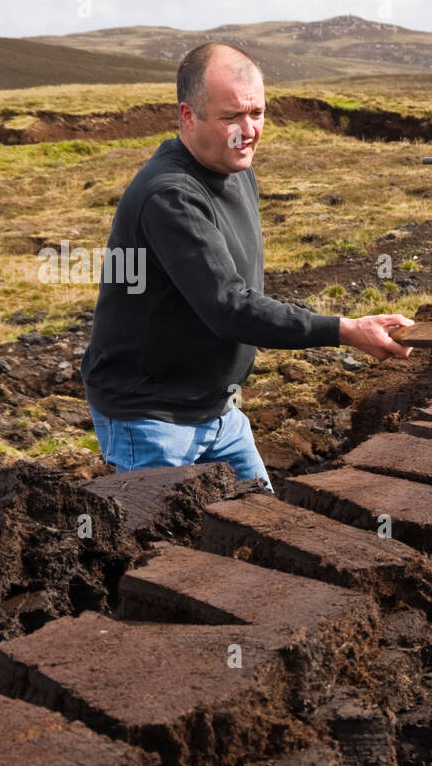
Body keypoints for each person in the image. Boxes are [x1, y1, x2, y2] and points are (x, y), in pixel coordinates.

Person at [80, 41, 412, 493]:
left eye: (257, 113)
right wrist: (344, 329)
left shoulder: (236, 169)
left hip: (219, 410)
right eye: (231, 116)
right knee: (168, 554)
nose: (247, 130)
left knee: (260, 536)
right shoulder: (170, 196)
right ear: (187, 116)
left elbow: (241, 290)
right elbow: (229, 308)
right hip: (152, 416)